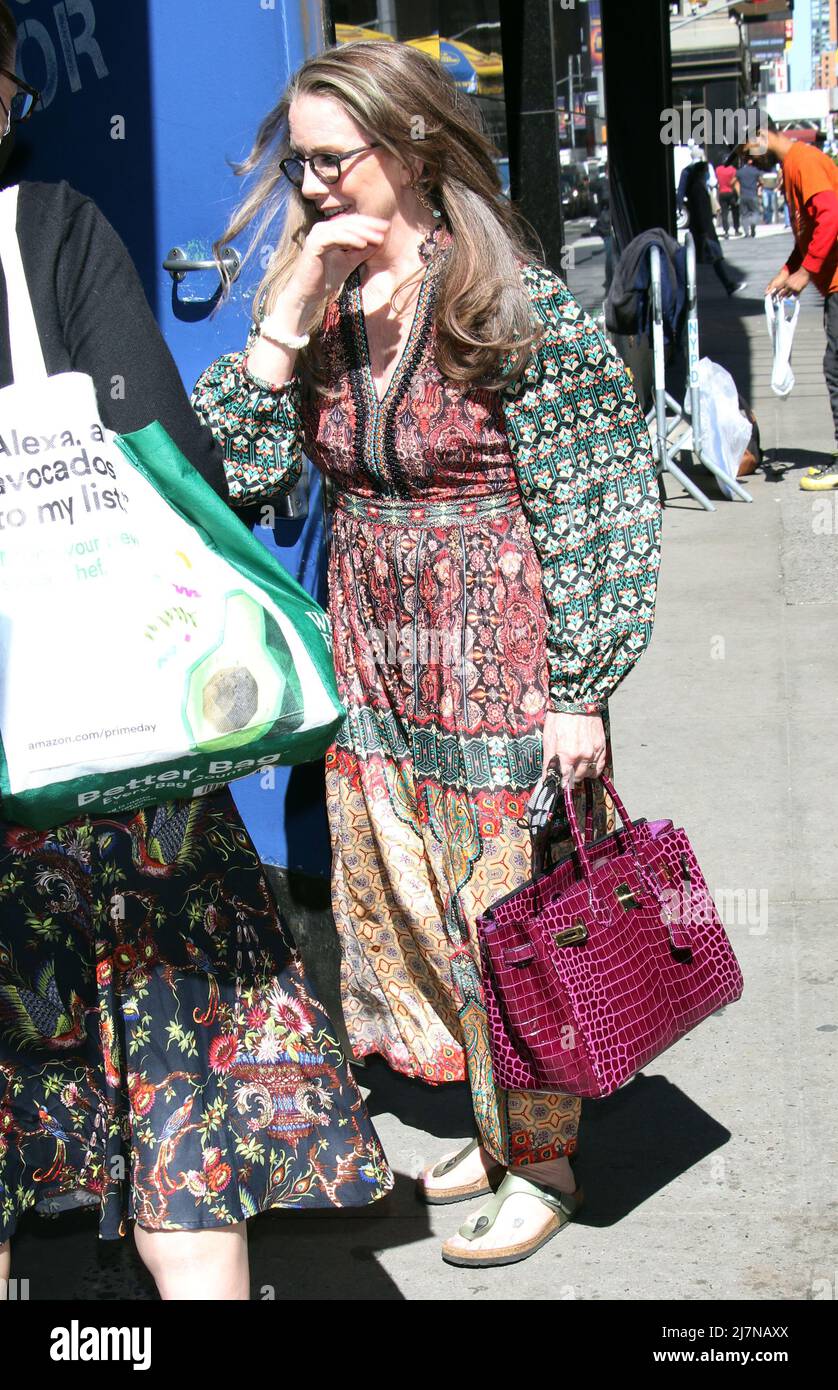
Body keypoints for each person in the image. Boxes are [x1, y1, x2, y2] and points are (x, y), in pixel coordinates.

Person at [193, 39, 662, 1269]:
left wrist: (582, 687)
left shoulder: (504, 297)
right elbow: (230, 481)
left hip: (496, 648)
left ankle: (544, 1155)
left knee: (511, 908)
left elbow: (597, 493)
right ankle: (496, 1121)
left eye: (329, 161)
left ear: (406, 151)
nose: (307, 188)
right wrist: (282, 328)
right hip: (373, 652)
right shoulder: (319, 294)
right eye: (293, 164)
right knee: (409, 902)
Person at [0, 4, 391, 1303]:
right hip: (109, 765)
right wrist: (272, 344)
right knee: (178, 1121)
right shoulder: (47, 230)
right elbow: (183, 478)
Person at [742, 121, 838, 491]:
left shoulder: (803, 162)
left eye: (744, 151)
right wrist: (788, 271)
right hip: (831, 281)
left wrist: (805, 272)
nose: (747, 162)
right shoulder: (793, 166)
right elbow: (811, 232)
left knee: (835, 367)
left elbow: (830, 216)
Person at [683, 159, 747, 297]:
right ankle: (727, 285)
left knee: (708, 259)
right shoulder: (697, 188)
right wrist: (705, 232)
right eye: (706, 171)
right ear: (701, 172)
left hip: (703, 229)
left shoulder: (696, 187)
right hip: (704, 230)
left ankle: (727, 285)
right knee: (713, 258)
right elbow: (701, 211)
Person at [715, 158, 742, 237]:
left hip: (722, 193)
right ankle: (736, 229)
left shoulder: (718, 170)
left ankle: (726, 231)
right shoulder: (733, 170)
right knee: (735, 212)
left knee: (724, 213)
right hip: (731, 192)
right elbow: (735, 182)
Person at [736, 156, 761, 237]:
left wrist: (738, 190)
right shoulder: (755, 171)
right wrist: (758, 186)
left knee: (744, 215)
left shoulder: (740, 172)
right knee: (755, 212)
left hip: (743, 195)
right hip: (753, 194)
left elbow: (732, 182)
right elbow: (762, 181)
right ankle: (753, 225)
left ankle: (746, 233)